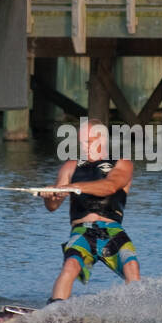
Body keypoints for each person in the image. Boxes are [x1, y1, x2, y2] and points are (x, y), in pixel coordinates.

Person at [39, 118, 140, 304]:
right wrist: (49, 196)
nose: (83, 146)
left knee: (131, 266)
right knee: (70, 265)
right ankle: (54, 311)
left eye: (88, 141)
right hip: (82, 232)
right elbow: (53, 206)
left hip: (112, 232)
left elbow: (110, 187)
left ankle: (136, 311)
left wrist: (72, 187)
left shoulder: (122, 164)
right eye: (81, 142)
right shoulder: (70, 167)